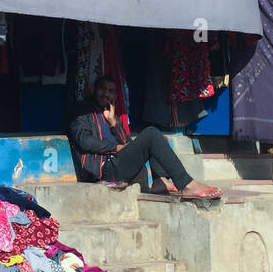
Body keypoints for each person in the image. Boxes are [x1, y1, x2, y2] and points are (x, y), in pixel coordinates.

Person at [68, 76, 223, 201]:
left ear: (115, 95)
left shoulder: (111, 115)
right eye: (102, 89)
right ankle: (186, 184)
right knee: (151, 133)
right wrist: (115, 148)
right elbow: (84, 140)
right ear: (94, 90)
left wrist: (113, 123)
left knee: (158, 137)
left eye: (111, 91)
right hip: (103, 170)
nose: (106, 94)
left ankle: (159, 180)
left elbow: (125, 142)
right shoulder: (82, 112)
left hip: (118, 163)